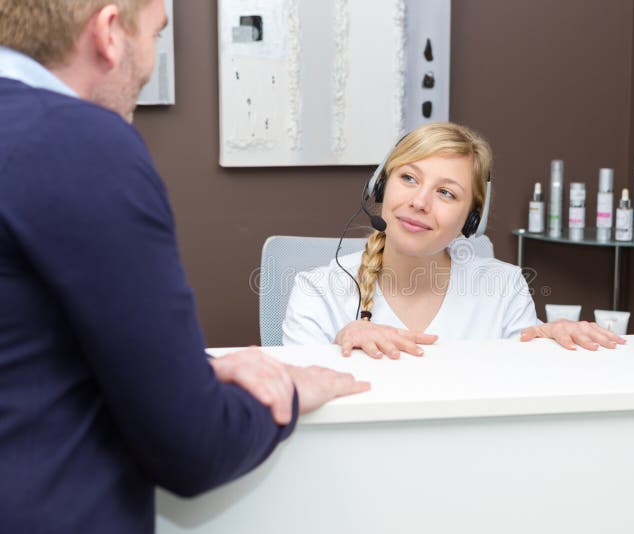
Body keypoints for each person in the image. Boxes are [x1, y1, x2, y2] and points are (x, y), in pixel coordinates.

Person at [0, 1, 368, 533]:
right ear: (108, 33)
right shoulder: (77, 141)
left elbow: (24, 344)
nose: (150, 66)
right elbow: (194, 445)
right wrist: (291, 391)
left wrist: (187, 370)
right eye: (154, 35)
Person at [282, 122, 624, 358]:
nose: (419, 202)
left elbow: (521, 392)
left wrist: (552, 347)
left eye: (446, 192)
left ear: (471, 220)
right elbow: (298, 408)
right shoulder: (317, 291)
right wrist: (337, 349)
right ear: (381, 187)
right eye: (409, 178)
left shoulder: (503, 288)